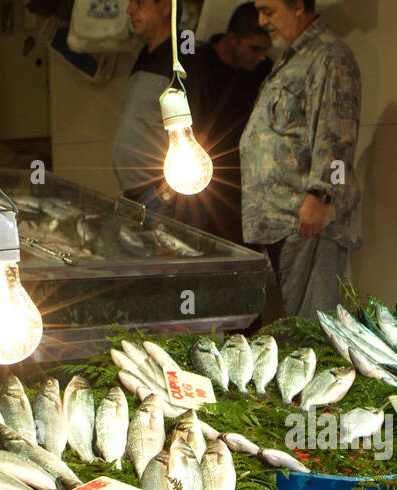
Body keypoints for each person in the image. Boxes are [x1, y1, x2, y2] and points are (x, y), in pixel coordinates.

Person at [240, 0, 361, 320]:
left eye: (268, 11)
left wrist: (320, 195)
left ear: (297, 6)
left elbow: (338, 134)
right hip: (279, 221)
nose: (262, 21)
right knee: (291, 334)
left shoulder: (329, 56)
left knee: (312, 328)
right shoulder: (291, 59)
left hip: (307, 219)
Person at [177, 3, 272, 244]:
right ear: (232, 39)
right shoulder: (196, 65)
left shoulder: (264, 72)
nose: (260, 57)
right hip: (196, 182)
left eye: (264, 50)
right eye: (254, 48)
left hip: (244, 188)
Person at [112, 0, 177, 211]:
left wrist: (167, 193)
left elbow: (200, 130)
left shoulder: (181, 58)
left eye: (139, 3)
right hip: (136, 197)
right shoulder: (143, 55)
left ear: (165, 7)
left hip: (160, 198)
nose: (129, 10)